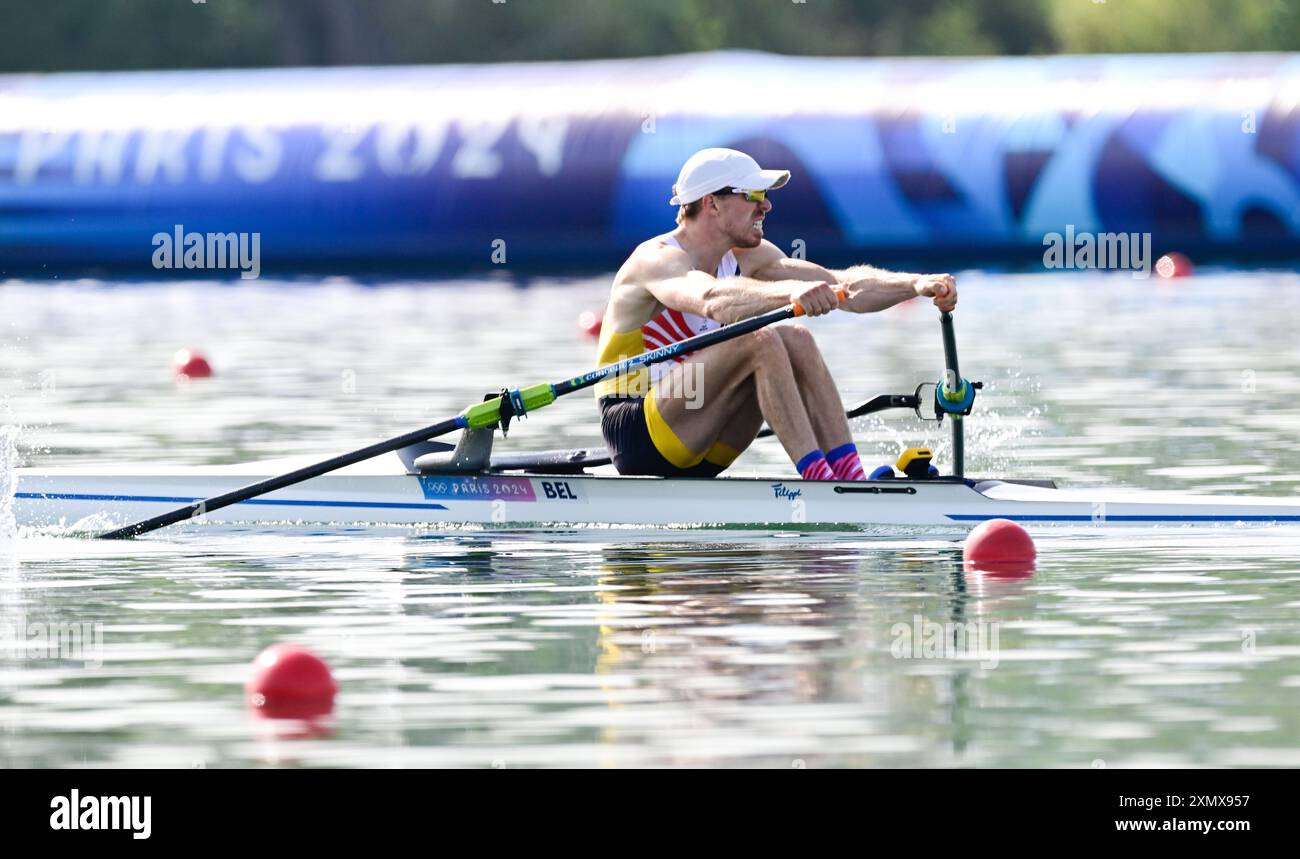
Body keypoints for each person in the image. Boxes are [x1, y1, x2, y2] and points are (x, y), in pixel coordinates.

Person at [596, 147, 958, 481]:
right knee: (761, 340)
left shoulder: (747, 257)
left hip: (706, 437)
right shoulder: (656, 259)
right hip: (637, 433)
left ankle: (849, 476)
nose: (766, 206)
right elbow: (711, 298)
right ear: (712, 203)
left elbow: (843, 285)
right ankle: (821, 481)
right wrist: (790, 292)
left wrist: (915, 284)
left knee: (796, 338)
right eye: (753, 195)